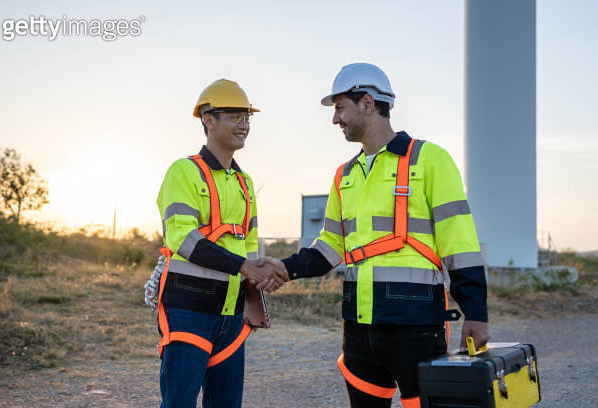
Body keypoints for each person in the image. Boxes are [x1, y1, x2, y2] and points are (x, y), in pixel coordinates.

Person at [262, 63, 489, 408]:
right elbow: (329, 247)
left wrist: (476, 312)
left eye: (340, 108)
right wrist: (284, 267)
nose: (334, 119)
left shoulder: (430, 160)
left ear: (367, 103)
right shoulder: (344, 175)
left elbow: (460, 244)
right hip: (357, 327)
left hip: (415, 325)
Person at [155, 78, 288, 408]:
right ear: (208, 119)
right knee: (179, 403)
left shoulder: (245, 183)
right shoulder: (183, 172)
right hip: (188, 308)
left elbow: (251, 247)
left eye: (247, 117)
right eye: (233, 116)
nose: (243, 125)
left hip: (231, 316)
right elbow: (183, 238)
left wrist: (256, 286)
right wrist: (244, 266)